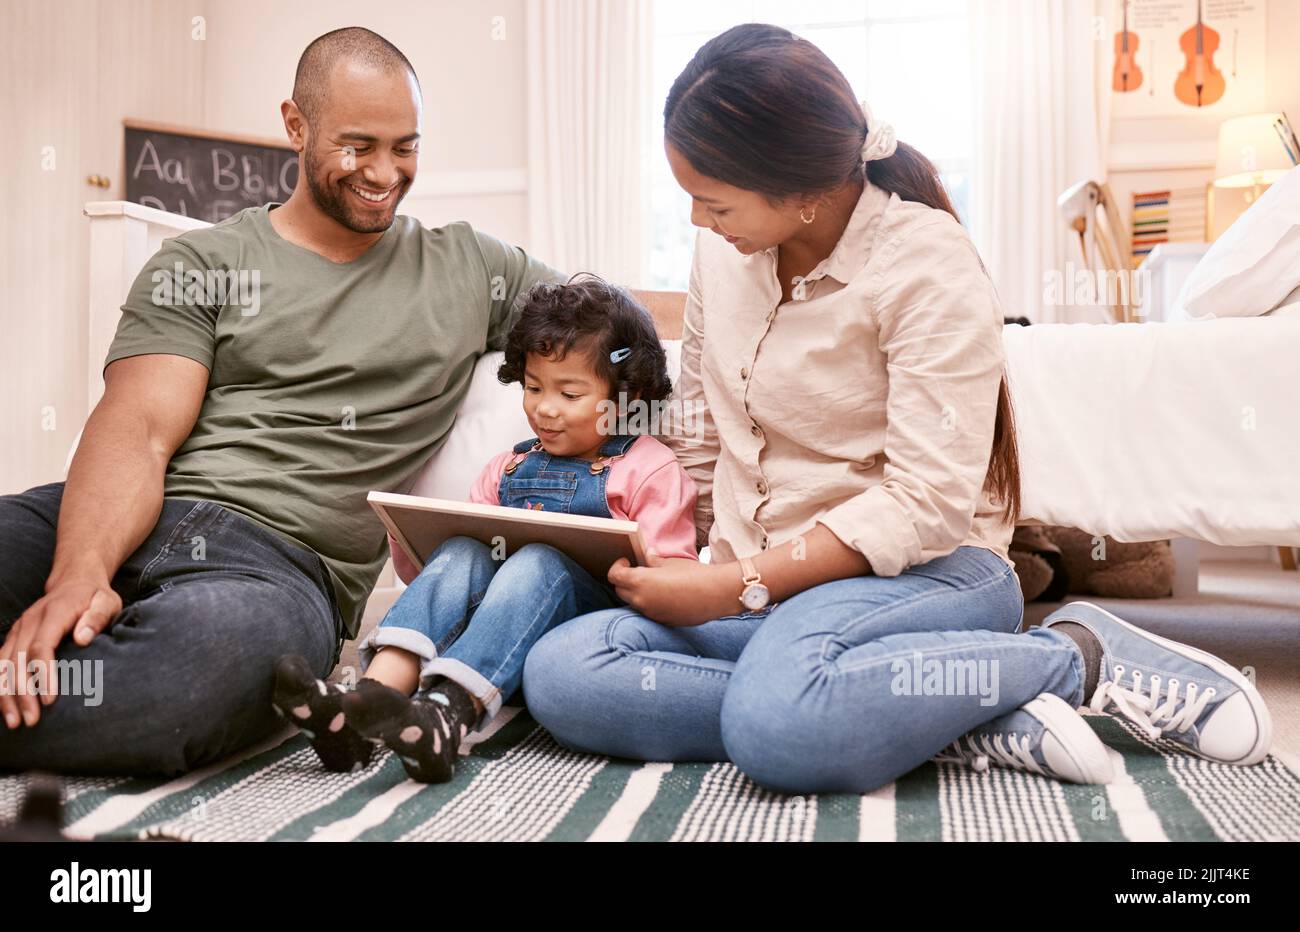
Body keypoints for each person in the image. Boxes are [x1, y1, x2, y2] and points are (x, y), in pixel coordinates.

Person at [521, 24, 1272, 794]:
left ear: (805, 194)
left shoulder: (925, 262)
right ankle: (949, 711)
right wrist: (692, 560)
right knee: (566, 673)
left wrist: (738, 584)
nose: (697, 223)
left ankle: (1076, 656)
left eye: (713, 203)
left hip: (928, 575)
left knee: (779, 726)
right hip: (756, 578)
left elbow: (925, 503)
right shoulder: (724, 252)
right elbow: (706, 428)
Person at [0, 27, 568, 774]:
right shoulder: (205, 260)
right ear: (295, 127)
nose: (384, 172)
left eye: (406, 146)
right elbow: (137, 430)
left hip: (279, 566)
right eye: (358, 144)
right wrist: (80, 574)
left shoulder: (470, 268)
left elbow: (607, 327)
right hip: (123, 507)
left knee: (180, 682)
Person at [271, 277, 697, 782]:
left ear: (628, 396)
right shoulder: (508, 468)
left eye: (570, 392)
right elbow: (435, 575)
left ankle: (446, 716)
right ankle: (366, 708)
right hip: (490, 641)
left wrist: (641, 575)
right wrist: (409, 534)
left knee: (538, 560)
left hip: (575, 648)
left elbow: (677, 583)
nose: (545, 407)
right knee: (463, 550)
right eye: (534, 387)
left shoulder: (649, 469)